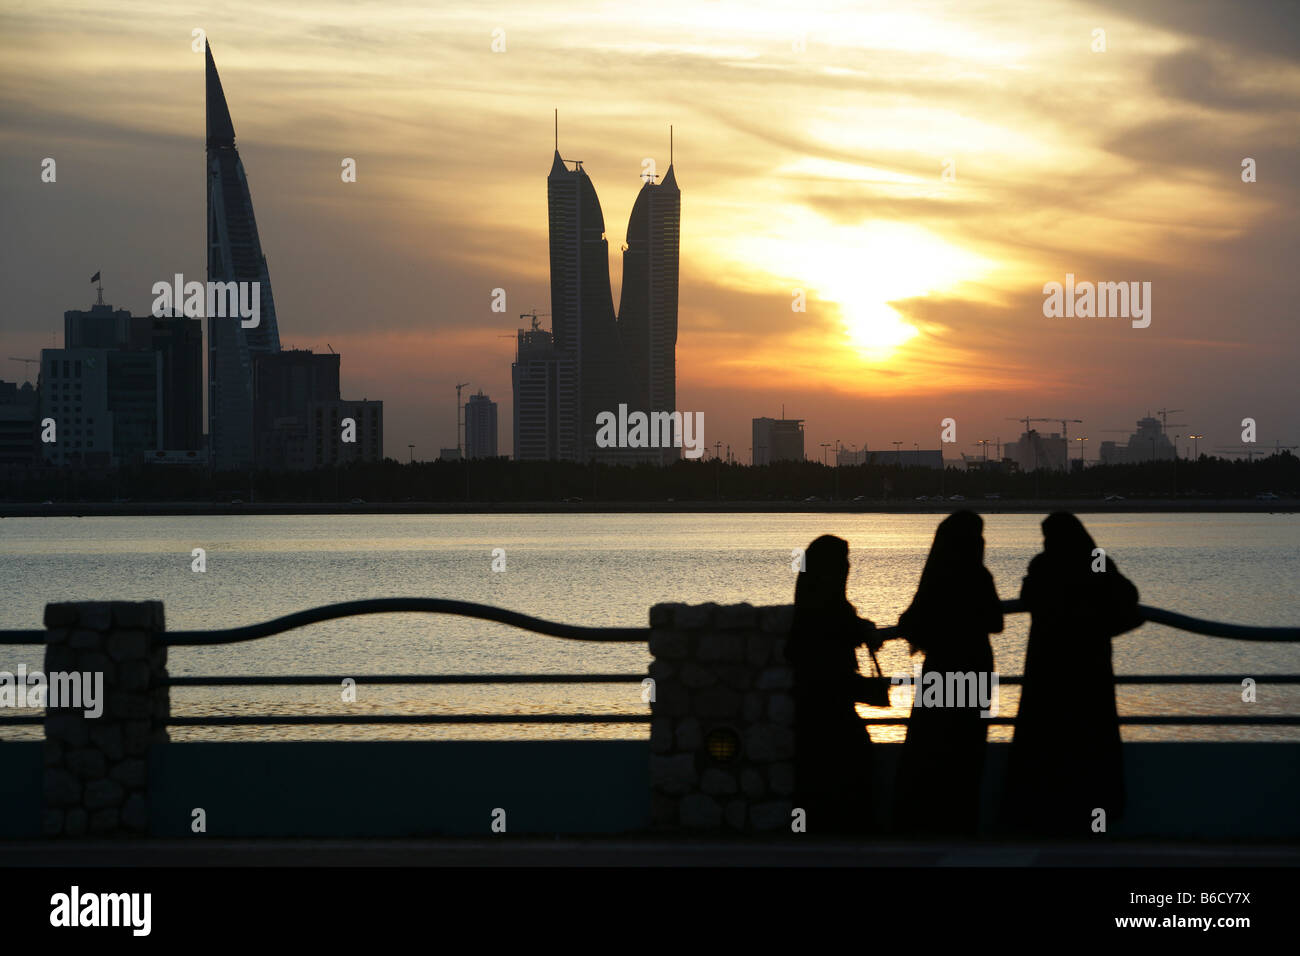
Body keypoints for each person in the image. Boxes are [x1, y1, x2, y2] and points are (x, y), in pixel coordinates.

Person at [1002, 512, 1143, 837]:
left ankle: (1043, 816)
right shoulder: (1095, 561)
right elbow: (1127, 596)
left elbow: (1029, 597)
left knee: (1044, 744)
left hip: (1047, 673)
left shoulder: (1043, 565)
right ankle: (1092, 818)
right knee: (1091, 745)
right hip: (1089, 672)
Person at [893, 511, 1004, 836]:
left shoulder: (937, 575)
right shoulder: (978, 576)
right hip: (974, 673)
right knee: (967, 749)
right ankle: (960, 821)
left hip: (940, 672)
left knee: (933, 743)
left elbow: (911, 622)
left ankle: (925, 819)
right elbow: (996, 622)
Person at [785, 534, 883, 834]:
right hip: (829, 703)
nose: (847, 568)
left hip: (811, 703)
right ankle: (845, 826)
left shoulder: (810, 601)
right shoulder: (830, 606)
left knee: (816, 767)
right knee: (850, 759)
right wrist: (863, 629)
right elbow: (837, 632)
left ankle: (813, 828)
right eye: (843, 562)